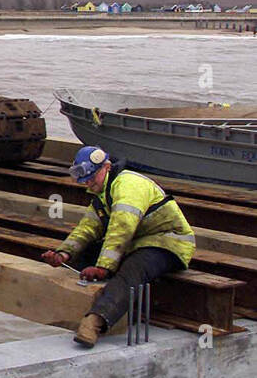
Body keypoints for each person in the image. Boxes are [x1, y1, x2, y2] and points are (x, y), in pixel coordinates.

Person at [41, 145, 195, 348]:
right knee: (85, 255)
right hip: (137, 242)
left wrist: (104, 267)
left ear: (105, 167)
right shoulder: (102, 192)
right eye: (83, 178)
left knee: (132, 271)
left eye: (90, 177)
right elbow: (87, 228)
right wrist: (64, 254)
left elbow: (122, 228)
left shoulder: (128, 185)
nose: (87, 182)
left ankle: (95, 322)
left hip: (167, 242)